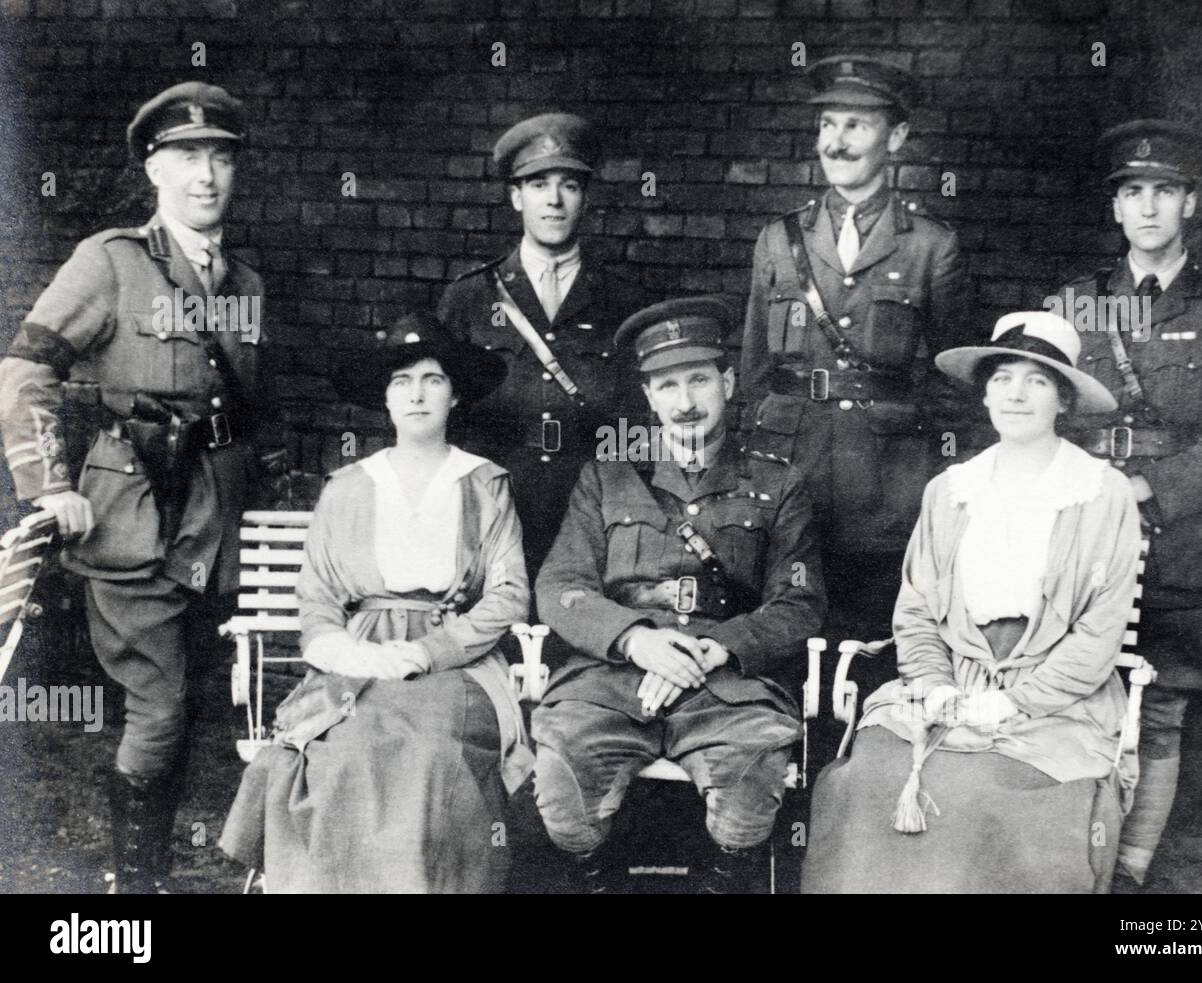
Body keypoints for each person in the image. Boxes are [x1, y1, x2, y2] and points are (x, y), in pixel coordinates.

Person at [0, 82, 290, 893]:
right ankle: (136, 885)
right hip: (134, 512)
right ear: (154, 169)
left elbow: (249, 409)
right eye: (187, 156)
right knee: (159, 704)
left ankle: (155, 868)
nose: (206, 175)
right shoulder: (111, 261)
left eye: (221, 157)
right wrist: (48, 485)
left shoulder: (245, 283)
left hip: (217, 520)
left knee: (187, 702)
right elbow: (24, 371)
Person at [802, 311, 1142, 894]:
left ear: (1063, 399)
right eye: (1002, 378)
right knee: (870, 773)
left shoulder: (1100, 492)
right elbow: (916, 608)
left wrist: (1011, 703)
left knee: (980, 784)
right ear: (984, 394)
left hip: (1054, 695)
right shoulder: (952, 489)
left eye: (1037, 381)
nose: (1016, 394)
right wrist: (936, 686)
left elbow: (1100, 631)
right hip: (954, 680)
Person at [219, 325, 533, 893]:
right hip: (361, 655)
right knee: (341, 754)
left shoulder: (485, 483)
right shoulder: (349, 485)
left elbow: (509, 594)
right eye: (402, 381)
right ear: (385, 398)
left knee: (434, 756)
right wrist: (347, 652)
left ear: (454, 395)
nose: (417, 394)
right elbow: (317, 597)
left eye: (433, 380)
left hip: (456, 661)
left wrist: (428, 651)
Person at [530, 297, 825, 893]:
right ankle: (598, 882)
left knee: (750, 791)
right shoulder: (607, 475)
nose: (685, 401)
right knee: (563, 788)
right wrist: (636, 641)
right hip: (612, 677)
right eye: (667, 384)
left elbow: (800, 600)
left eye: (699, 379)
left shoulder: (777, 482)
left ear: (728, 383)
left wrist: (717, 648)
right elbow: (561, 585)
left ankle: (724, 881)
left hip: (726, 682)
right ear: (649, 395)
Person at [1045, 120, 1202, 888]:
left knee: (1160, 710)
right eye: (1132, 192)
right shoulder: (1074, 304)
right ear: (1114, 208)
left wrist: (1145, 490)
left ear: (1190, 203)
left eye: (1164, 191)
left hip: (1180, 541)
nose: (1147, 207)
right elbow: (1038, 415)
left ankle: (1129, 875)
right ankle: (1066, 860)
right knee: (1067, 691)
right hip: (1080, 532)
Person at [740, 54, 974, 651]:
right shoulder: (779, 239)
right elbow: (754, 371)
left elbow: (955, 384)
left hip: (885, 482)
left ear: (895, 138)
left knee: (870, 640)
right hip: (788, 465)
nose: (836, 143)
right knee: (780, 628)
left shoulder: (931, 247)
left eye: (855, 126)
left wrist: (933, 478)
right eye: (827, 125)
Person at [436, 112, 643, 580]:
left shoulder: (621, 301)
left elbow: (637, 423)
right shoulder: (470, 298)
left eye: (569, 185)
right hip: (494, 506)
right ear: (516, 197)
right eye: (537, 185)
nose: (553, 200)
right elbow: (442, 422)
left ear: (585, 198)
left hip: (589, 513)